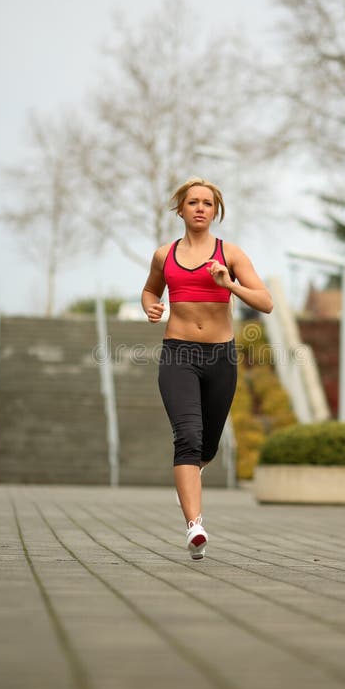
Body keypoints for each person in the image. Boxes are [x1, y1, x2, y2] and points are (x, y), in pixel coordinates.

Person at [141, 176, 273, 560]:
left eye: (208, 203)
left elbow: (265, 302)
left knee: (208, 445)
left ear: (216, 212)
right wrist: (149, 305)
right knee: (188, 438)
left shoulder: (230, 254)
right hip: (178, 353)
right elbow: (151, 289)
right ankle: (194, 526)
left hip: (220, 357)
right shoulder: (164, 255)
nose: (200, 208)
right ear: (180, 209)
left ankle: (190, 489)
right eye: (193, 202)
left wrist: (228, 283)